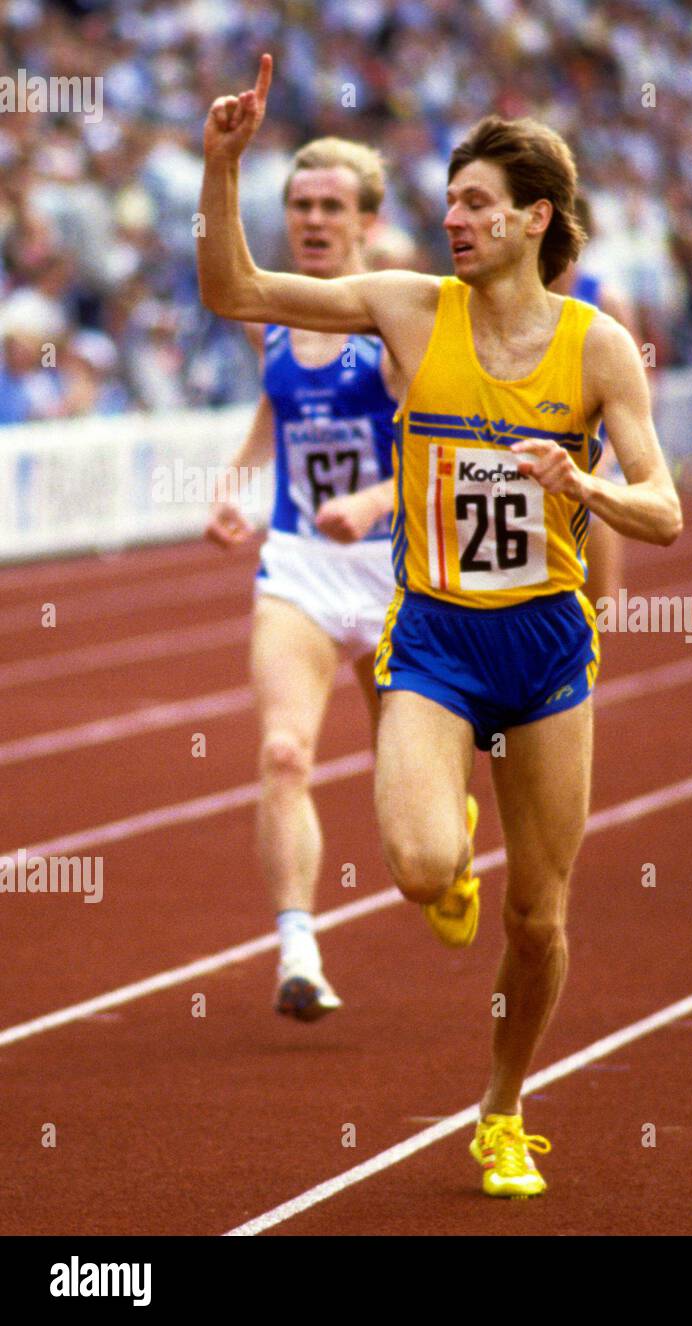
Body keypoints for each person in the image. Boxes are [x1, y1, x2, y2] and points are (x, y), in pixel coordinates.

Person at [198, 57, 682, 1197]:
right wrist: (223, 168)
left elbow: (661, 508)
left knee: (536, 918)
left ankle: (504, 1109)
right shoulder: (410, 308)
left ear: (534, 218)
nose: (451, 219)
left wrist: (584, 485)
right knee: (420, 865)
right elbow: (238, 290)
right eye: (447, 202)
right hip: (435, 640)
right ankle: (444, 845)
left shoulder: (596, 347)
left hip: (548, 649)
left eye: (474, 203)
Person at [204, 136, 400, 1021]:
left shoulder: (400, 321)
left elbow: (454, 452)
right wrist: (236, 483)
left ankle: (441, 839)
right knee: (285, 753)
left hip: (398, 571)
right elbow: (275, 406)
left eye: (332, 207)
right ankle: (298, 952)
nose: (314, 221)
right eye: (301, 206)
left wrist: (374, 500)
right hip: (299, 568)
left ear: (367, 220)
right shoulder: (269, 313)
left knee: (413, 792)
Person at [548, 193, 642, 609]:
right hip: (527, 450)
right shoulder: (515, 298)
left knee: (601, 600)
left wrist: (611, 457)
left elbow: (637, 381)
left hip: (595, 455)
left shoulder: (604, 299)